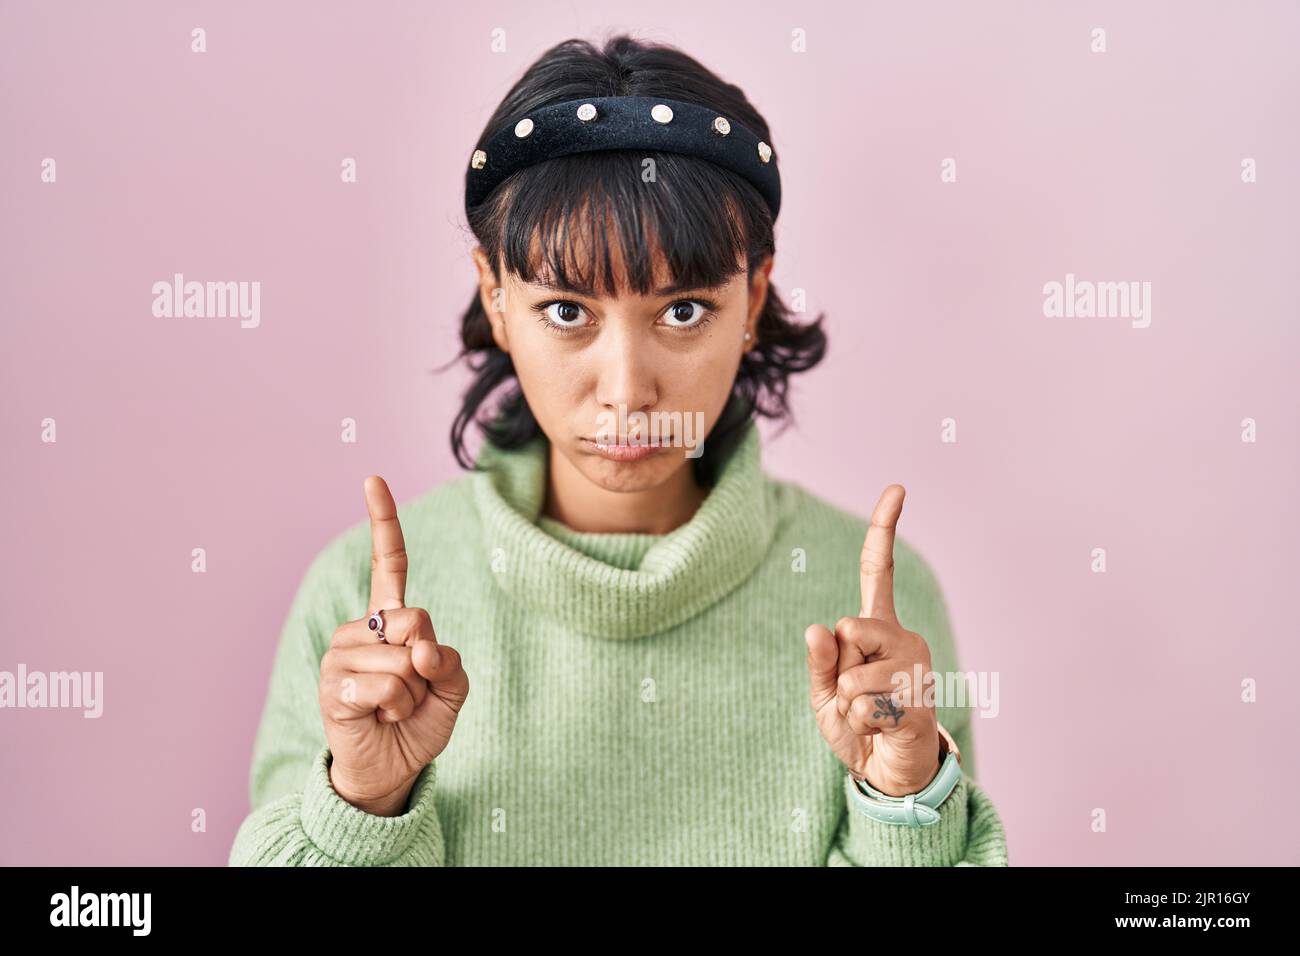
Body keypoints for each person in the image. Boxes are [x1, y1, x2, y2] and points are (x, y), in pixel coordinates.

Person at [229, 34, 1009, 866]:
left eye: (682, 312)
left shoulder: (878, 622)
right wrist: (363, 804)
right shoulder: (360, 606)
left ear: (754, 296)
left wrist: (904, 801)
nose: (628, 389)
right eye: (567, 310)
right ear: (495, 297)